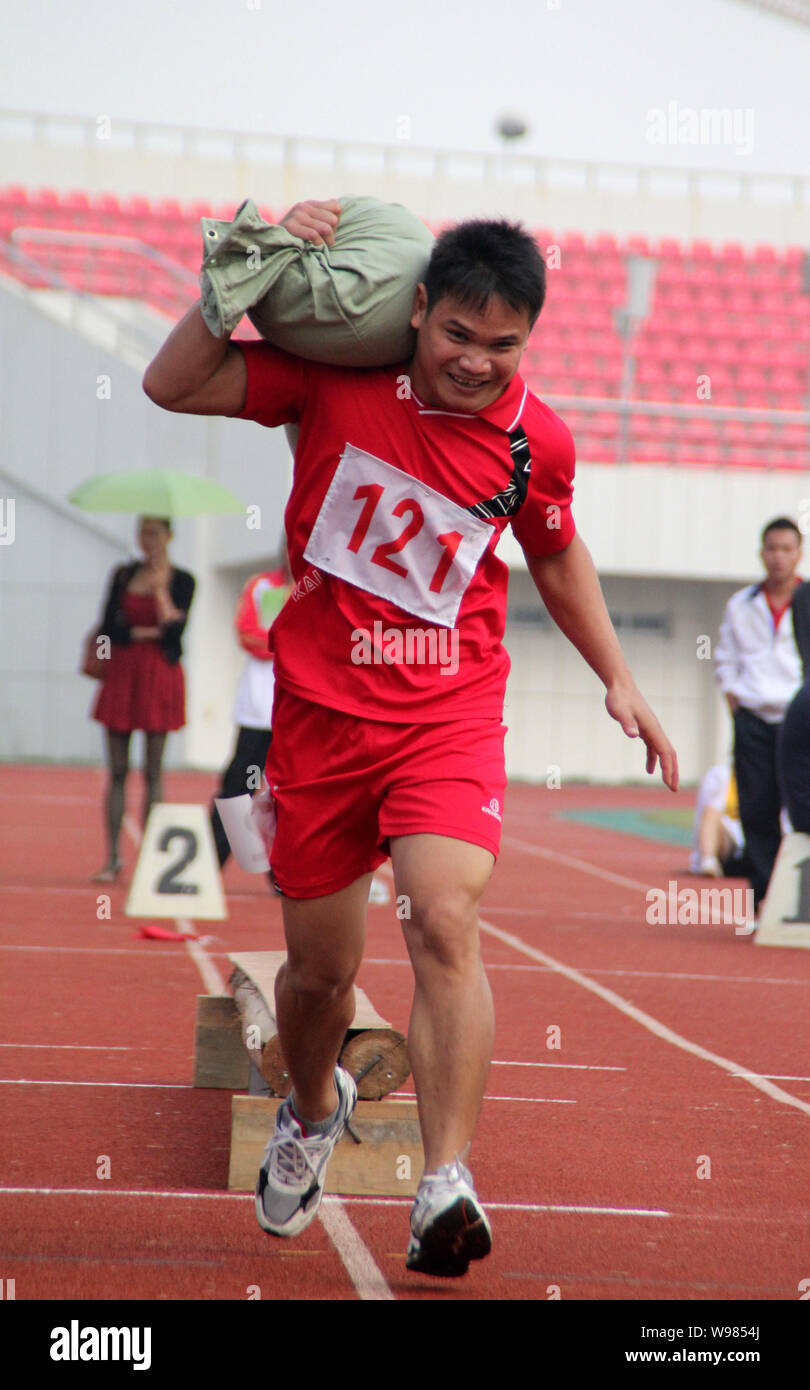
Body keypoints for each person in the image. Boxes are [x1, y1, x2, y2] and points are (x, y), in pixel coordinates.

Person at [143, 199, 677, 1278]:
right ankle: (311, 1104)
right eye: (458, 336)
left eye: (504, 344)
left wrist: (618, 676)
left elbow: (559, 556)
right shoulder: (332, 378)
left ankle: (445, 1181)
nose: (477, 363)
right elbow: (173, 383)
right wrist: (233, 284)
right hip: (323, 721)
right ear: (418, 308)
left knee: (443, 915)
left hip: (449, 712)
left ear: (530, 340)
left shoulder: (538, 439)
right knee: (316, 979)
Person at [91, 516, 195, 881]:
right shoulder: (122, 575)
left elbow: (176, 632)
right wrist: (142, 630)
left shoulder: (183, 580)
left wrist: (160, 591)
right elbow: (109, 627)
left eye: (154, 532)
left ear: (169, 535)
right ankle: (113, 857)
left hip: (159, 676)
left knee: (153, 770)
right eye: (142, 532)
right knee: (117, 769)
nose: (147, 539)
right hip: (123, 673)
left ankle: (153, 860)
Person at [714, 518, 802, 907]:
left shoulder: (808, 600)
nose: (779, 557)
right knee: (756, 808)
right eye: (772, 549)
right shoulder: (741, 604)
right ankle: (764, 899)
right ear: (761, 553)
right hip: (752, 718)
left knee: (802, 807)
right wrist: (735, 698)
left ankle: (800, 901)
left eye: (787, 549)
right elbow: (725, 659)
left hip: (801, 719)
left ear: (799, 553)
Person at [209, 560, 291, 869]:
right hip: (258, 710)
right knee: (237, 788)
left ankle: (283, 871)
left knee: (290, 795)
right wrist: (290, 640)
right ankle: (213, 860)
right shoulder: (262, 586)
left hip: (299, 711)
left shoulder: (320, 587)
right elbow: (250, 637)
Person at [689, 763, 750, 879]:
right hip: (729, 845)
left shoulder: (771, 774)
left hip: (757, 845)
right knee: (712, 813)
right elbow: (710, 811)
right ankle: (708, 860)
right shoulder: (721, 775)